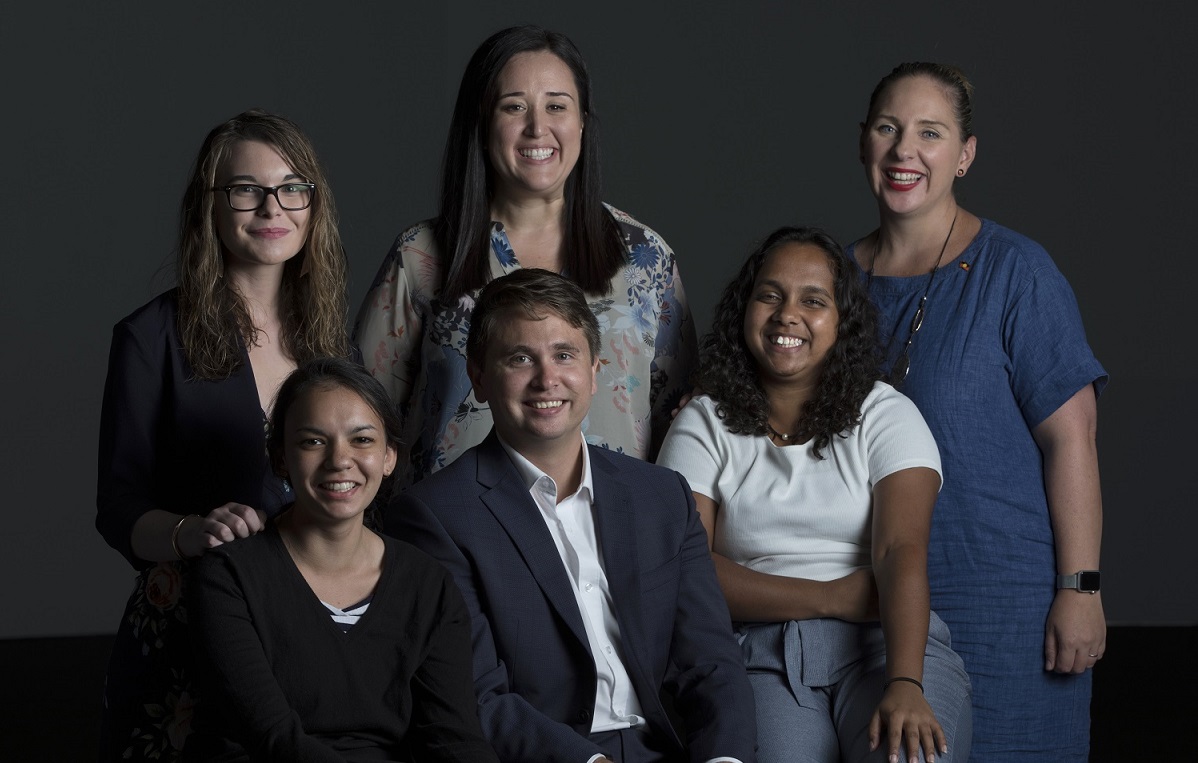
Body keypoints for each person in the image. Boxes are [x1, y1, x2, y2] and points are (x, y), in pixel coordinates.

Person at [390, 268, 757, 763]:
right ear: (478, 377)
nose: (547, 379)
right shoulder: (435, 516)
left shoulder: (661, 495)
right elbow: (476, 695)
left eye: (565, 355)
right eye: (520, 358)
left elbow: (711, 662)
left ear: (593, 369)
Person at [848, 62, 1107, 761]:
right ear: (863, 143)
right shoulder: (829, 285)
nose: (905, 150)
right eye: (888, 128)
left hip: (1005, 606)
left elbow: (1072, 438)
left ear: (964, 155)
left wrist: (1080, 587)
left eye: (930, 133)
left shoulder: (1016, 272)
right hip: (870, 610)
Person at [658, 227, 972, 763]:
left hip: (884, 643)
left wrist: (905, 682)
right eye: (770, 295)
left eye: (814, 300)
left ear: (842, 320)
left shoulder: (886, 415)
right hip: (760, 653)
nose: (787, 315)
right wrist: (831, 596)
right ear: (745, 308)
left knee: (910, 757)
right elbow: (688, 570)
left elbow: (901, 552)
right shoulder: (702, 422)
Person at [95, 109, 349, 760]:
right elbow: (118, 509)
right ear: (210, 205)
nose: (272, 206)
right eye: (246, 189)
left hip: (308, 632)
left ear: (312, 204)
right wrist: (190, 532)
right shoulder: (150, 337)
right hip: (185, 636)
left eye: (293, 187)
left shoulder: (332, 345)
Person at [353, 24, 696, 487]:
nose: (538, 127)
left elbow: (681, 426)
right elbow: (359, 416)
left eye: (557, 106)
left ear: (581, 122)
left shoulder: (644, 258)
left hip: (608, 542)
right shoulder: (422, 256)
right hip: (449, 544)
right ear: (482, 120)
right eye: (514, 106)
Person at [183, 358, 497, 762]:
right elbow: (274, 740)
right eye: (312, 441)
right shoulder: (228, 576)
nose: (339, 460)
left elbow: (455, 740)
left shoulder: (429, 586)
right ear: (280, 458)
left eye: (362, 440)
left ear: (389, 457)